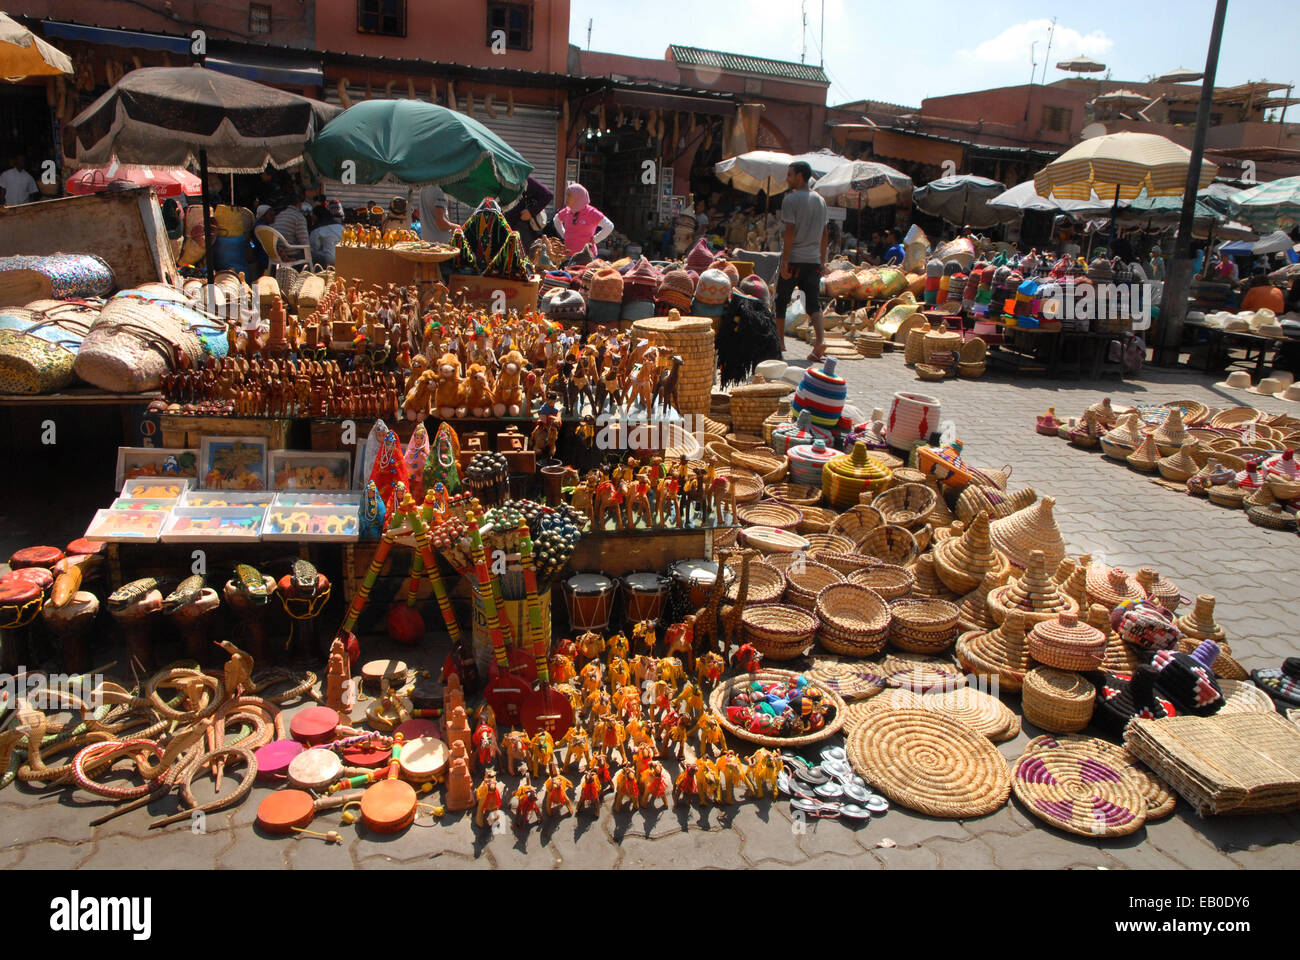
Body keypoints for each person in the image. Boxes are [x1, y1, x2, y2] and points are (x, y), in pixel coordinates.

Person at [773, 161, 828, 358]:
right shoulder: (821, 201)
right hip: (813, 260)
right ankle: (820, 342)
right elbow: (825, 234)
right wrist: (822, 261)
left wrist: (785, 261)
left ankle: (780, 342)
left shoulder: (791, 200)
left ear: (800, 176)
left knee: (781, 300)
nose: (787, 178)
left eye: (790, 174)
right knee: (813, 302)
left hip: (795, 259)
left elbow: (790, 231)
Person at [553, 182, 614, 262]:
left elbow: (609, 226)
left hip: (587, 256)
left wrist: (595, 240)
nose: (566, 198)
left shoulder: (591, 212)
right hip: (568, 255)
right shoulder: (567, 211)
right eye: (566, 195)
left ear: (577, 197)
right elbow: (556, 220)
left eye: (569, 195)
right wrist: (564, 235)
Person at [502, 176, 553, 247]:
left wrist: (531, 212)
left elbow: (548, 195)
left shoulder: (523, 179)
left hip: (522, 229)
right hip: (504, 227)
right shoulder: (498, 179)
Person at [270, 192, 312, 266]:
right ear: (299, 204)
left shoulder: (279, 215)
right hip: (290, 254)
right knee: (319, 257)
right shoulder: (299, 217)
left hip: (277, 253)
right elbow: (304, 242)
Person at [310, 201, 345, 267]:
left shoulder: (316, 229)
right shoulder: (340, 226)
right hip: (343, 258)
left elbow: (315, 247)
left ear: (315, 216)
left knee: (310, 252)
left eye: (312, 215)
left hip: (329, 260)